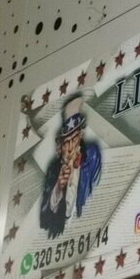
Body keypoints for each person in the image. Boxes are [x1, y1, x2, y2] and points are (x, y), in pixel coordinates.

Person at [40, 96, 102, 238]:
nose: (69, 149)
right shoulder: (54, 168)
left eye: (73, 139)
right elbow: (44, 220)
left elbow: (97, 192)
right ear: (60, 146)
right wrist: (58, 188)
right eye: (66, 142)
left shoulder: (91, 156)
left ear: (80, 137)